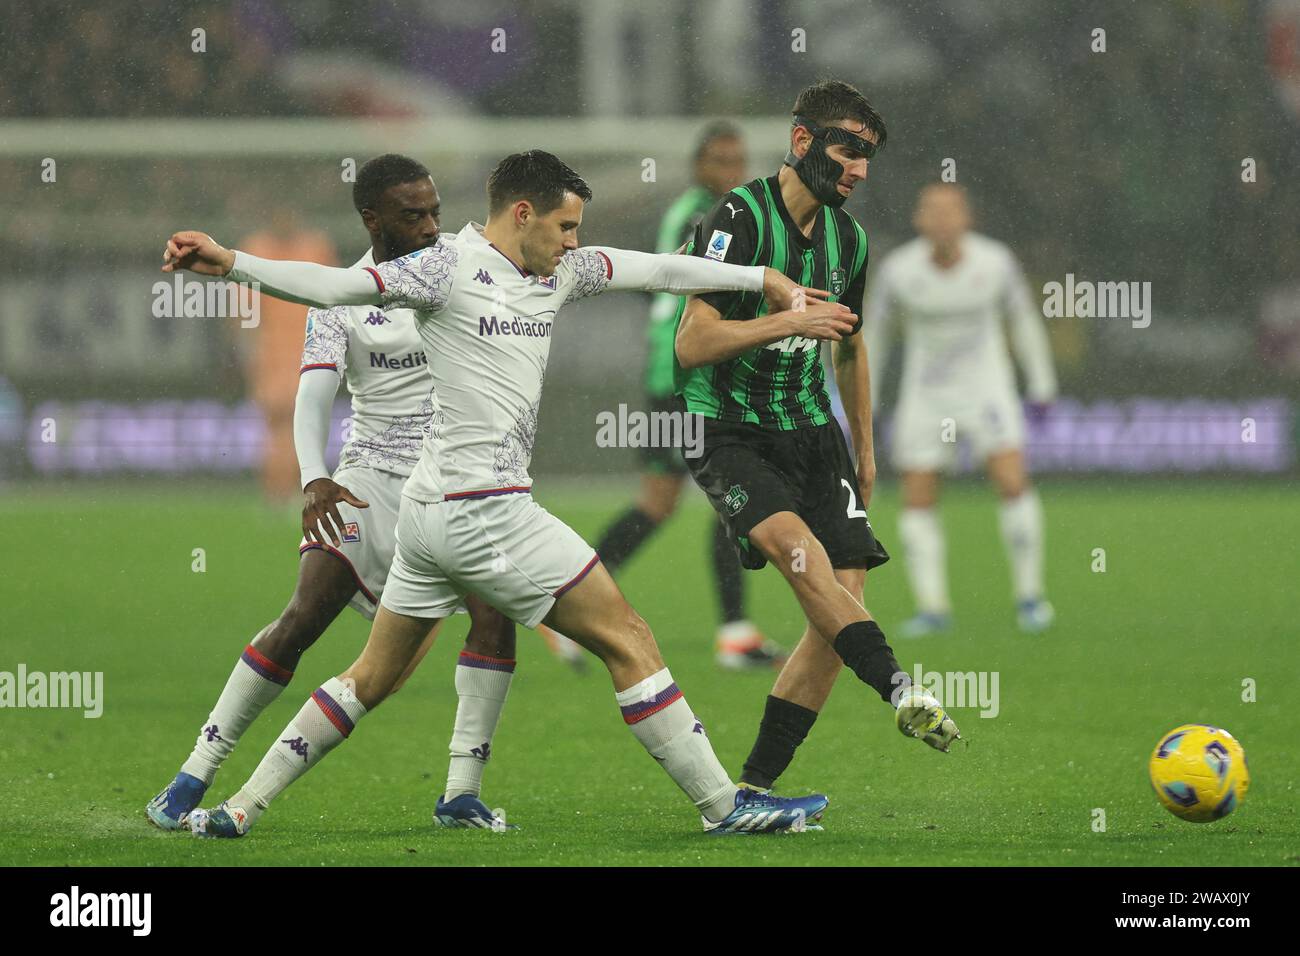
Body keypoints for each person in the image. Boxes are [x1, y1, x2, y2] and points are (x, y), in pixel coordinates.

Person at [161, 150, 853, 837]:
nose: (575, 243)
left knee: (370, 677)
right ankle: (726, 807)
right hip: (483, 509)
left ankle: (238, 808)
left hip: (426, 518)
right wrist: (232, 264)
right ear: (523, 214)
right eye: (565, 227)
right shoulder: (445, 268)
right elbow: (334, 289)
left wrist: (762, 277)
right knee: (629, 636)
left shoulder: (564, 270)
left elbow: (665, 268)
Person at [146, 155, 517, 832]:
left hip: (454, 480)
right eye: (414, 214)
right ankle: (194, 771)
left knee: (494, 617)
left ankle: (462, 790)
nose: (432, 225)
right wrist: (314, 474)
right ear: (373, 219)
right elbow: (313, 397)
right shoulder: (343, 296)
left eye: (435, 209)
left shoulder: (461, 270)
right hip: (367, 481)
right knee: (303, 617)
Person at [672, 80, 960, 797]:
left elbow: (851, 348)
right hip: (728, 429)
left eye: (869, 156)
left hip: (812, 431)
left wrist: (863, 447)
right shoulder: (738, 216)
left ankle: (756, 788)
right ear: (802, 143)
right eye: (849, 150)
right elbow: (692, 341)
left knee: (842, 602)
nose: (861, 169)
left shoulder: (850, 239)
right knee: (810, 569)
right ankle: (900, 690)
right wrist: (787, 319)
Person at [590, 122, 786, 670]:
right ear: (699, 165)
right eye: (719, 160)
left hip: (683, 374)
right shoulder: (701, 216)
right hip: (682, 378)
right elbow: (679, 291)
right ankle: (735, 635)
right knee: (728, 497)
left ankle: (565, 606)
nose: (730, 170)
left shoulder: (722, 213)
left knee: (665, 502)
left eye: (737, 160)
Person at [865, 183, 1057, 636]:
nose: (942, 220)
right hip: (926, 396)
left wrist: (1042, 383)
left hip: (987, 390)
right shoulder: (899, 271)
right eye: (932, 211)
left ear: (967, 218)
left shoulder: (995, 263)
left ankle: (1030, 597)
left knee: (1012, 481)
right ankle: (932, 607)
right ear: (919, 220)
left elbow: (1023, 321)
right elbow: (873, 333)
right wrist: (865, 401)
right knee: (918, 494)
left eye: (951, 211)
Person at [236, 206, 337, 504]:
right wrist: (248, 349)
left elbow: (334, 296)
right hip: (271, 353)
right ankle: (276, 489)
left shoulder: (316, 247)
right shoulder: (255, 249)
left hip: (309, 348)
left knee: (304, 422)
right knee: (277, 424)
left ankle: (295, 487)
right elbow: (244, 310)